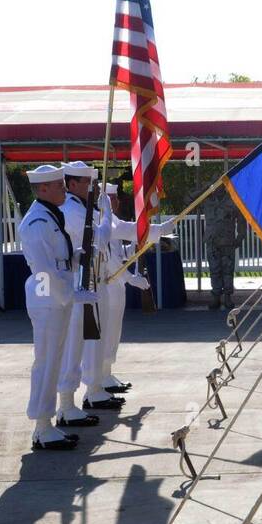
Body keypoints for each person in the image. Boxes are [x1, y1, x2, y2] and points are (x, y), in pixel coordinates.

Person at [56, 161, 171, 427]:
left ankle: (94, 390)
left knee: (96, 343)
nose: (92, 188)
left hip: (94, 285)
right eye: (87, 183)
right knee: (76, 347)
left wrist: (158, 231)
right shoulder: (72, 211)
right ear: (73, 184)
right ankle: (67, 404)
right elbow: (102, 235)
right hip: (80, 285)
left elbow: (124, 229)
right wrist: (105, 215)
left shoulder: (88, 209)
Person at [18, 165, 95, 451]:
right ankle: (41, 426)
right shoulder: (37, 222)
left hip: (55, 297)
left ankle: (47, 423)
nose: (64, 189)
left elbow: (57, 260)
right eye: (59, 186)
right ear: (43, 189)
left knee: (54, 360)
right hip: (47, 298)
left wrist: (76, 256)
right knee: (47, 362)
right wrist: (72, 295)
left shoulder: (50, 216)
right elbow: (43, 270)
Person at [81, 182, 149, 398]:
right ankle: (98, 379)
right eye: (113, 198)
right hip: (108, 285)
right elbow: (108, 262)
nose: (117, 201)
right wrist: (131, 278)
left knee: (114, 333)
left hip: (116, 287)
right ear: (104, 200)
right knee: (106, 333)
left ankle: (106, 374)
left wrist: (136, 248)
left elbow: (118, 253)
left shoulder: (113, 221)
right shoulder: (100, 222)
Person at [202, 185, 246, 310]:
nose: (217, 188)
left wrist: (240, 237)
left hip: (228, 242)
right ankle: (216, 296)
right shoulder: (207, 200)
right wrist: (206, 188)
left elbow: (241, 219)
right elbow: (188, 199)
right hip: (212, 241)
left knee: (228, 271)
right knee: (214, 270)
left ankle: (227, 296)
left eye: (220, 185)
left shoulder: (233, 200)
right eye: (215, 185)